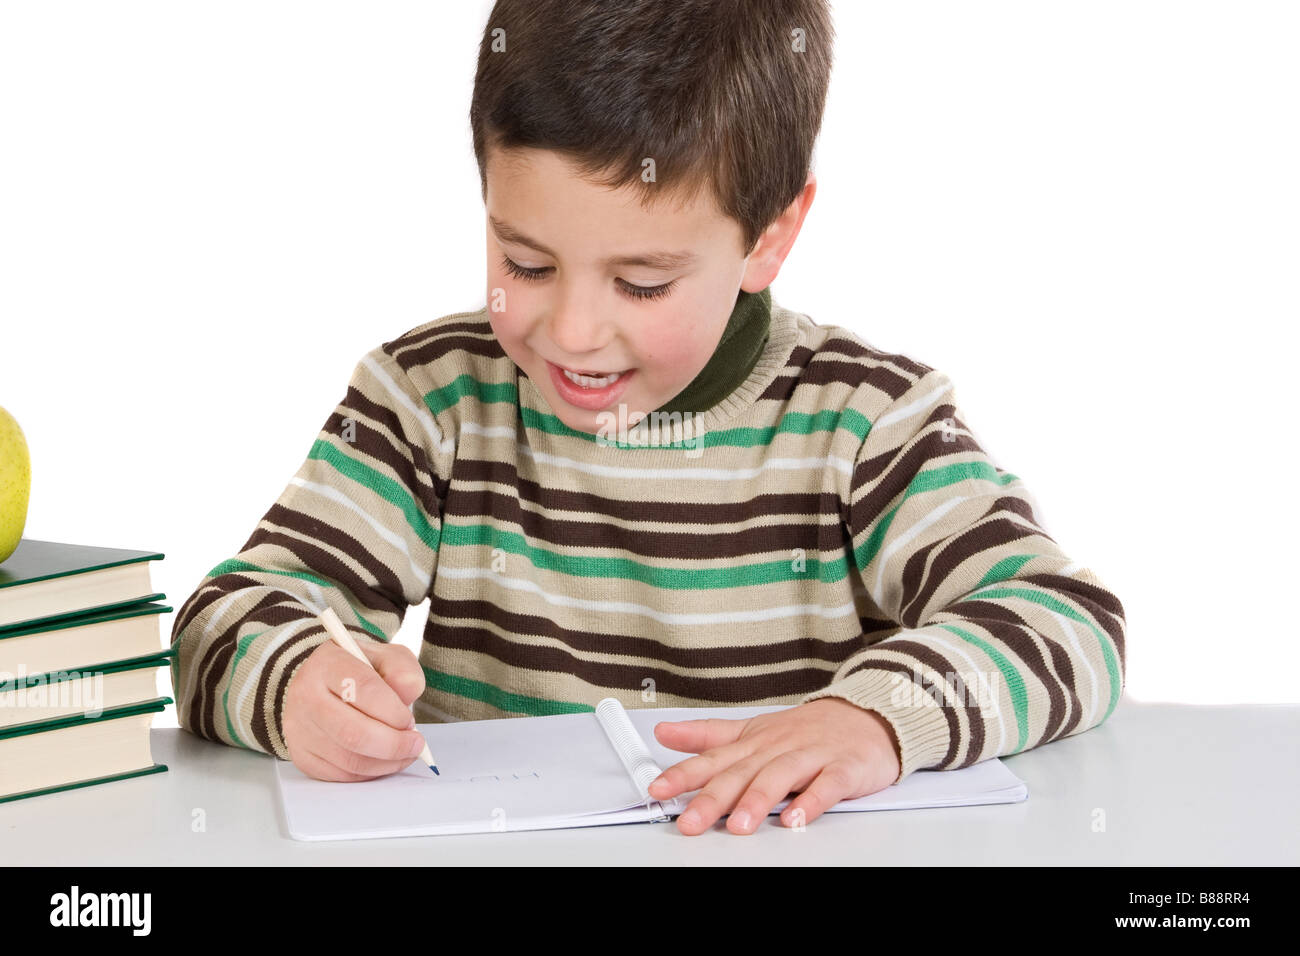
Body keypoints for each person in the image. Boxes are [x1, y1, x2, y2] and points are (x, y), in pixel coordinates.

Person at [171, 0, 1126, 836]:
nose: (573, 332)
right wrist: (297, 683)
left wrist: (874, 722)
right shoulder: (431, 400)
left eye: (641, 282)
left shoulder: (866, 422)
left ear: (771, 236)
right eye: (526, 264)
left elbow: (1066, 621)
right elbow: (223, 620)